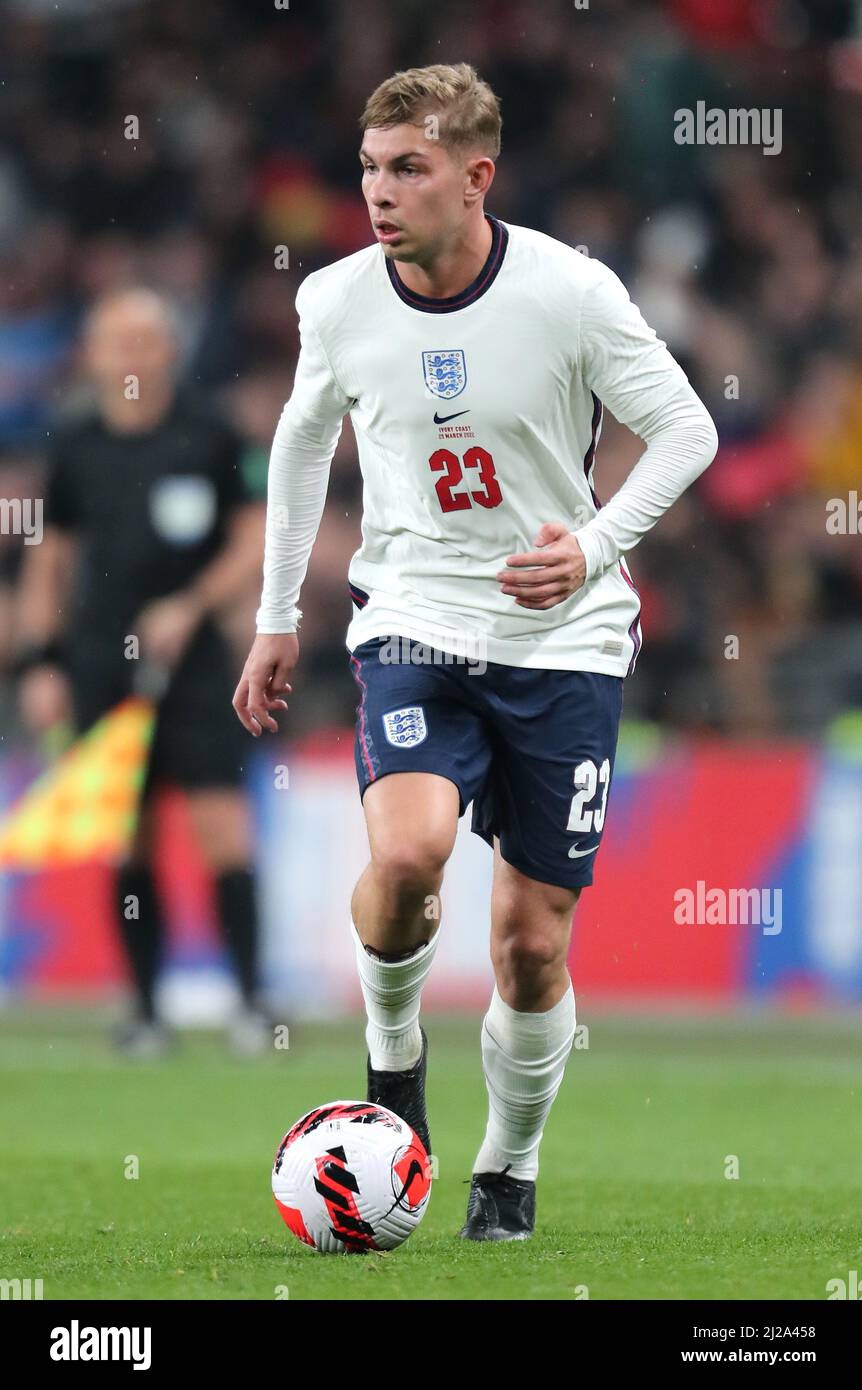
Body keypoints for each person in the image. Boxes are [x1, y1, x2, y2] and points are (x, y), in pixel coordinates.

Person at [233, 63, 718, 1238]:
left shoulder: (569, 291)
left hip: (562, 638)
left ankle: (506, 1168)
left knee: (529, 944)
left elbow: (686, 429)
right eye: (368, 169)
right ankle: (392, 1061)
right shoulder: (339, 300)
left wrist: (594, 547)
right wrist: (277, 612)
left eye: (406, 169)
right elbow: (303, 445)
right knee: (406, 858)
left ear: (474, 176)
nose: (378, 194)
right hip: (413, 616)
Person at [15, 288, 270, 1057]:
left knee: (222, 828)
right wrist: (41, 661)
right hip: (100, 665)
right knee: (128, 838)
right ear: (92, 355)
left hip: (195, 668)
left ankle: (252, 1007)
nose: (129, 356)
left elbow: (255, 538)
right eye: (112, 342)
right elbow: (49, 559)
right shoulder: (77, 444)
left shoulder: (210, 432)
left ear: (168, 349)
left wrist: (190, 605)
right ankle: (145, 1011)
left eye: (143, 340)